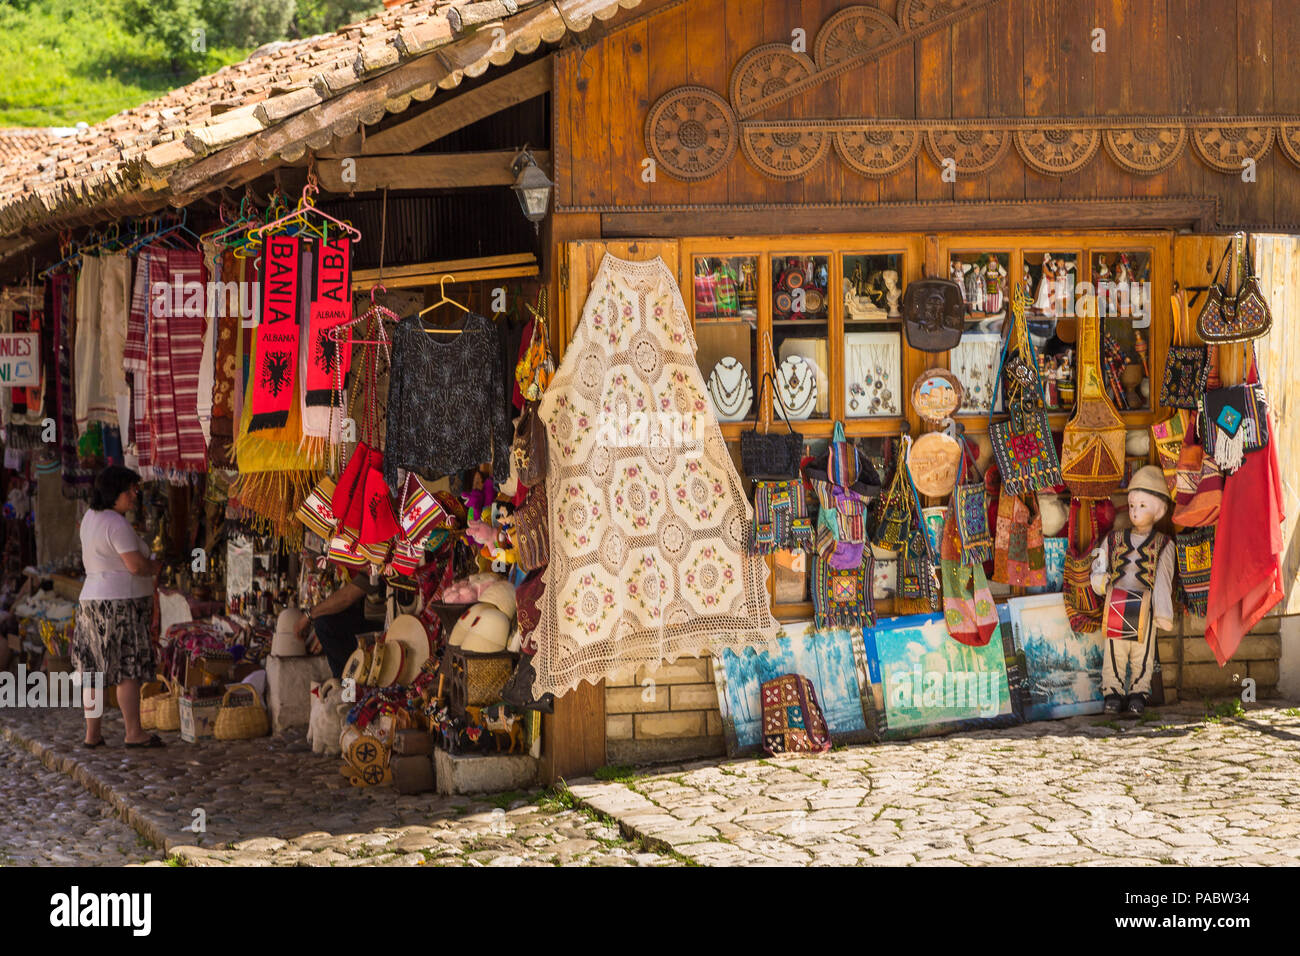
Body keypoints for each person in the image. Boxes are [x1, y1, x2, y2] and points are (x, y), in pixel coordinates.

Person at [72, 465, 164, 748]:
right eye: (130, 490)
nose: (134, 495)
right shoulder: (117, 523)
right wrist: (154, 566)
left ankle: (92, 735)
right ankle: (134, 732)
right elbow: (135, 566)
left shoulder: (90, 518)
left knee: (93, 669)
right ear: (115, 492)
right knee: (127, 667)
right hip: (119, 604)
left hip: (91, 601)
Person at [1090, 465, 1174, 716]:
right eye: (1132, 506)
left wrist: (1163, 612)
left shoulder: (1163, 544)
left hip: (1145, 607)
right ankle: (1112, 691)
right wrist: (1099, 579)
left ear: (1158, 511)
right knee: (1115, 649)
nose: (1136, 512)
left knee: (1143, 650)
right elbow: (1099, 561)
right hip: (1116, 600)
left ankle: (1139, 690)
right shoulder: (1114, 539)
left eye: (1143, 506)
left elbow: (1163, 579)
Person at [295, 571, 379, 678]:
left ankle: (352, 678)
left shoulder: (377, 564)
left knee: (324, 625)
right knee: (325, 624)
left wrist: (309, 615)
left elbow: (347, 597)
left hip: (380, 624)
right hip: (366, 619)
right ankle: (345, 682)